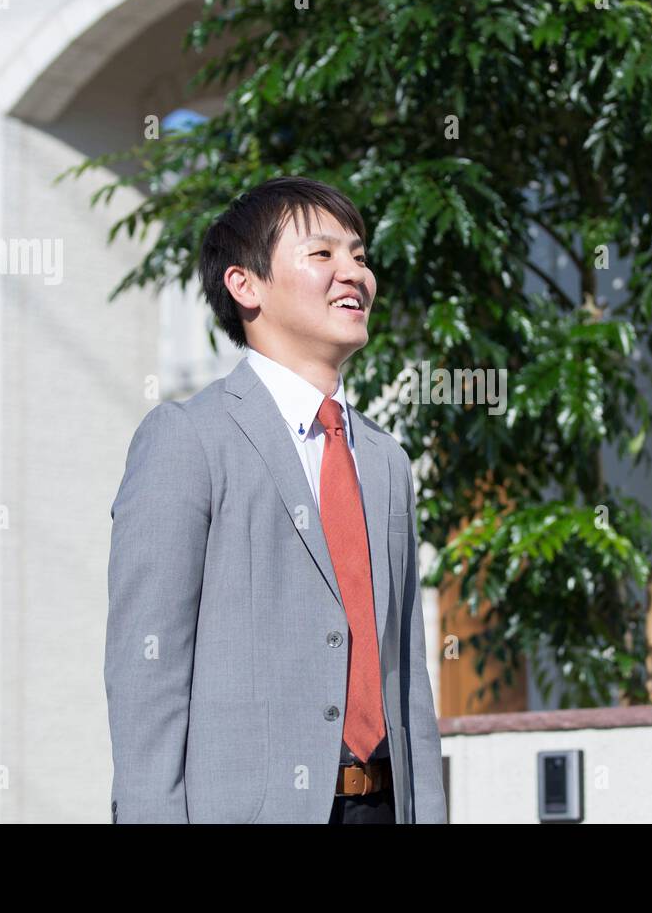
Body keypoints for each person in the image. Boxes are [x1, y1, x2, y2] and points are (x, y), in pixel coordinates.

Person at [105, 176, 446, 823]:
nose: (354, 273)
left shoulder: (386, 460)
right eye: (322, 255)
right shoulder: (190, 440)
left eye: (361, 256)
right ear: (246, 284)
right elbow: (147, 674)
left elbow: (410, 681)